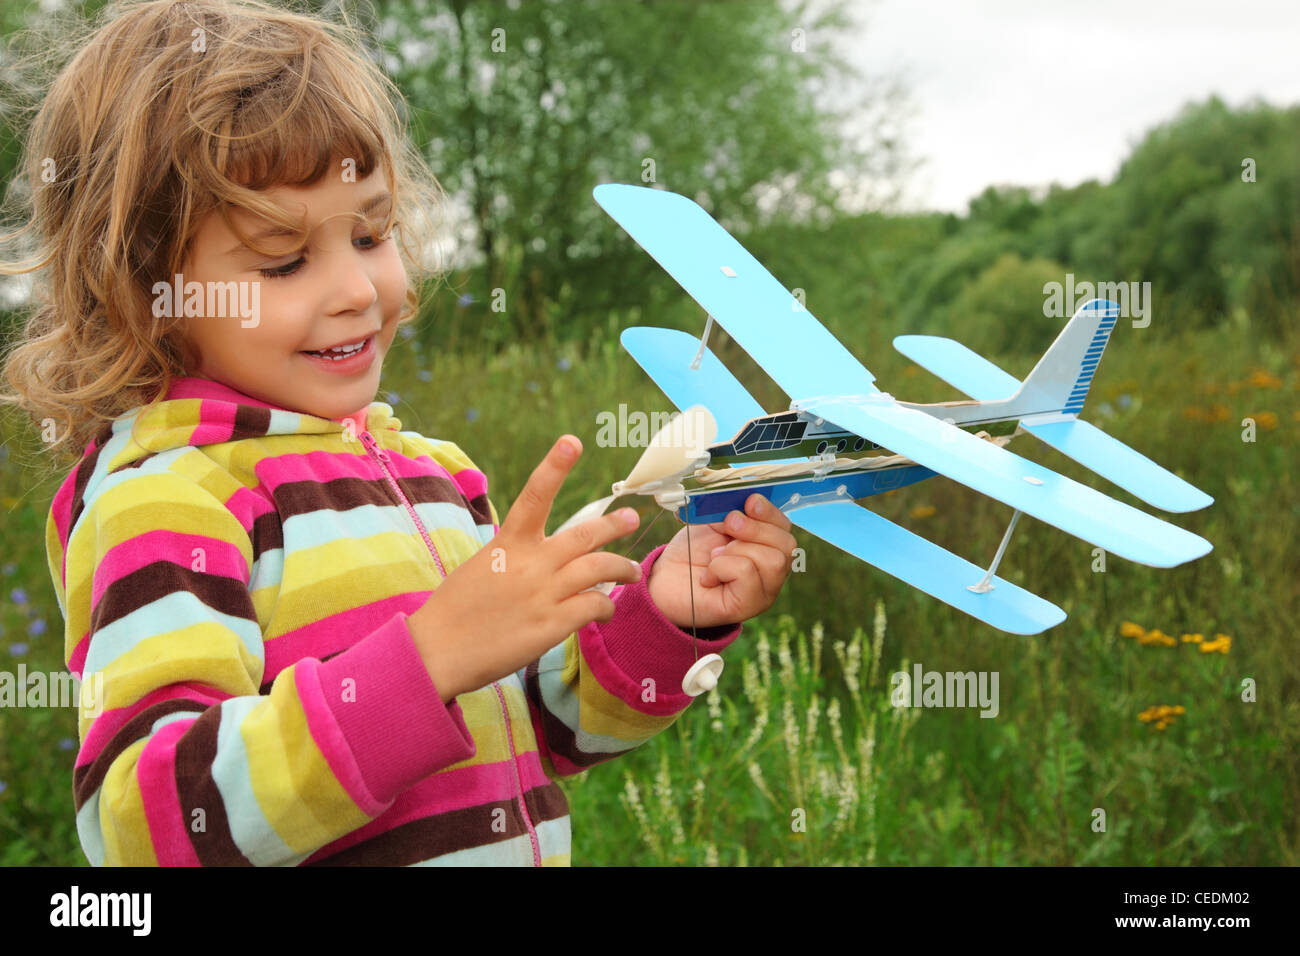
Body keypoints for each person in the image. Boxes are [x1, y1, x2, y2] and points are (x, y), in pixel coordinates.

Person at [0, 0, 797, 865]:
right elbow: (145, 825)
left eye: (372, 233)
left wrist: (661, 619)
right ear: (143, 288)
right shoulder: (169, 501)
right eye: (284, 259)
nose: (356, 289)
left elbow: (536, 729)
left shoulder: (435, 477)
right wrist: (425, 660)